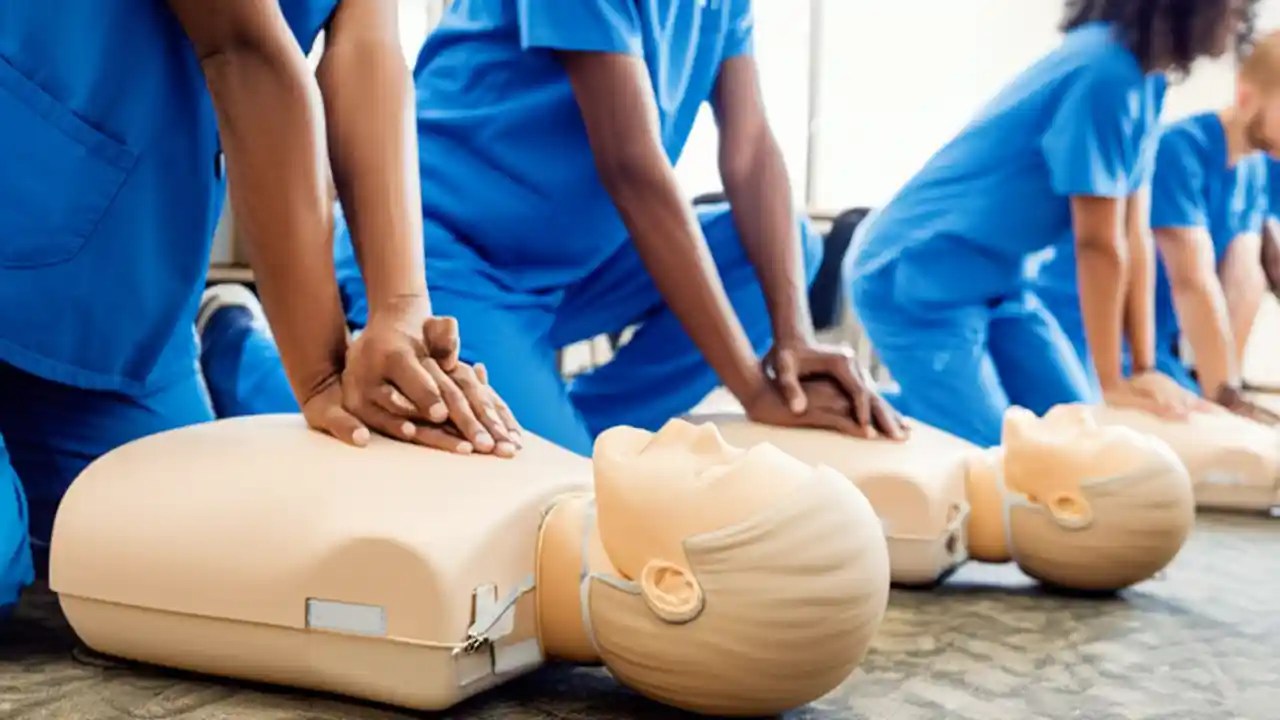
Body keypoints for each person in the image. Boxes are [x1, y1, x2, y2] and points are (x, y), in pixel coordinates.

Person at [200, 0, 905, 457]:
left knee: (784, 251)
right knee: (513, 473)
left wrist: (793, 340)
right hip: (453, 260)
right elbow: (632, 166)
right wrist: (752, 391)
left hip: (578, 268)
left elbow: (749, 149)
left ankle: (572, 434)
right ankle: (239, 355)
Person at [0, 1, 512, 619]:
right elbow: (241, 50)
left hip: (122, 287)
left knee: (194, 575)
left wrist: (400, 312)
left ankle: (233, 346)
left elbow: (366, 47)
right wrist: (321, 374)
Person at [843, 0, 1253, 447]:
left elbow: (1134, 231)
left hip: (1000, 283)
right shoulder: (1105, 73)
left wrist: (1143, 368)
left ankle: (930, 403)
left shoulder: (1145, 81)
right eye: (1234, 7)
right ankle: (849, 401)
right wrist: (1112, 382)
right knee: (996, 454)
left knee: (1075, 436)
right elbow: (1098, 244)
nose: (1241, 17)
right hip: (917, 274)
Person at [1038, 36, 1280, 423]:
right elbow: (1192, 282)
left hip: (1153, 354)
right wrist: (1227, 401)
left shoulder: (1257, 170)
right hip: (1080, 331)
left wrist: (1226, 393)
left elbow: (1244, 278)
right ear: (1246, 96)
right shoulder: (1178, 150)